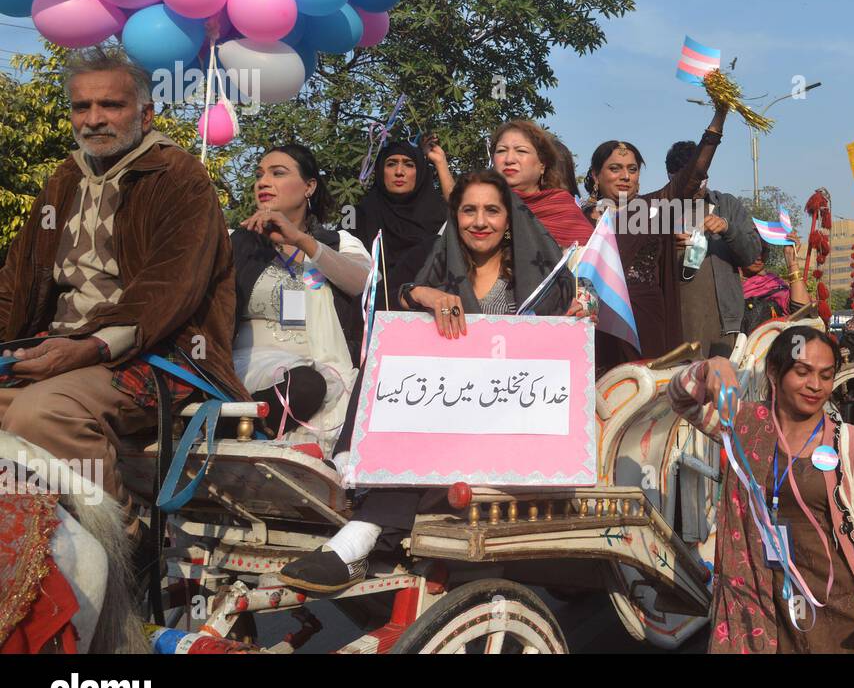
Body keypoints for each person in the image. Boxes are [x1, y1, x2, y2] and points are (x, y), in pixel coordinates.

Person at [278, 170, 577, 592]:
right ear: (455, 219)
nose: (479, 221)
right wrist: (420, 294)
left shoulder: (538, 283)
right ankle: (353, 470)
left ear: (509, 219)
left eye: (492, 210)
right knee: (392, 353)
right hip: (441, 413)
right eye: (468, 210)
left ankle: (357, 540)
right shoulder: (437, 271)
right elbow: (398, 301)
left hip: (506, 423)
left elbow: (557, 346)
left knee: (442, 431)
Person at [0, 45, 247, 509]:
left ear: (146, 114)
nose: (93, 118)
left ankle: (125, 543)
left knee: (43, 413)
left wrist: (89, 347)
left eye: (110, 105)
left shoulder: (179, 176)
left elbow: (171, 288)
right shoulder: (63, 178)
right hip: (56, 345)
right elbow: (16, 281)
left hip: (155, 353)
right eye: (81, 106)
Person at [668, 325, 854, 653]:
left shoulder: (853, 444)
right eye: (802, 372)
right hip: (761, 618)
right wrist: (711, 367)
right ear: (774, 372)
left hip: (846, 624)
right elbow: (679, 397)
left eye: (825, 375)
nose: (815, 386)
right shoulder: (743, 428)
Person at [231, 145, 371, 453]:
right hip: (253, 372)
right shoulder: (237, 242)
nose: (263, 182)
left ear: (309, 186)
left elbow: (361, 283)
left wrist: (302, 241)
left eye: (278, 173)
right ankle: (239, 432)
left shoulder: (339, 242)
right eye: (259, 175)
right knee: (306, 385)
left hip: (323, 371)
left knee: (331, 387)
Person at [583, 99, 731, 370]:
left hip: (647, 320)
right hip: (596, 323)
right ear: (595, 175)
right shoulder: (578, 219)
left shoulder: (652, 209)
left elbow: (692, 175)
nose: (625, 176)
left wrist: (719, 117)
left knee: (646, 396)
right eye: (615, 168)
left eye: (632, 169)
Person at [664, 140, 762, 359]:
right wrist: (664, 244)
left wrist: (728, 228)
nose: (697, 187)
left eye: (701, 179)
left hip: (723, 327)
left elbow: (752, 255)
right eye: (688, 181)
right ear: (672, 177)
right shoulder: (656, 211)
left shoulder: (727, 205)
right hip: (676, 329)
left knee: (724, 389)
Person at [353, 139, 448, 305]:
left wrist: (440, 163)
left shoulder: (440, 216)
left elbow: (463, 210)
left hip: (432, 315)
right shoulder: (361, 214)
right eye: (391, 164)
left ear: (420, 172)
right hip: (370, 315)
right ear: (381, 170)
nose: (399, 171)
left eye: (409, 164)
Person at [489, 120, 593, 247]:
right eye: (501, 151)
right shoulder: (479, 204)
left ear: (542, 164)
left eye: (521, 151)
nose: (509, 159)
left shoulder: (562, 209)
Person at [740, 237, 811, 333]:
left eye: (764, 251)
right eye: (754, 249)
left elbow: (802, 309)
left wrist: (791, 261)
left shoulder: (773, 284)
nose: (759, 257)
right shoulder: (723, 280)